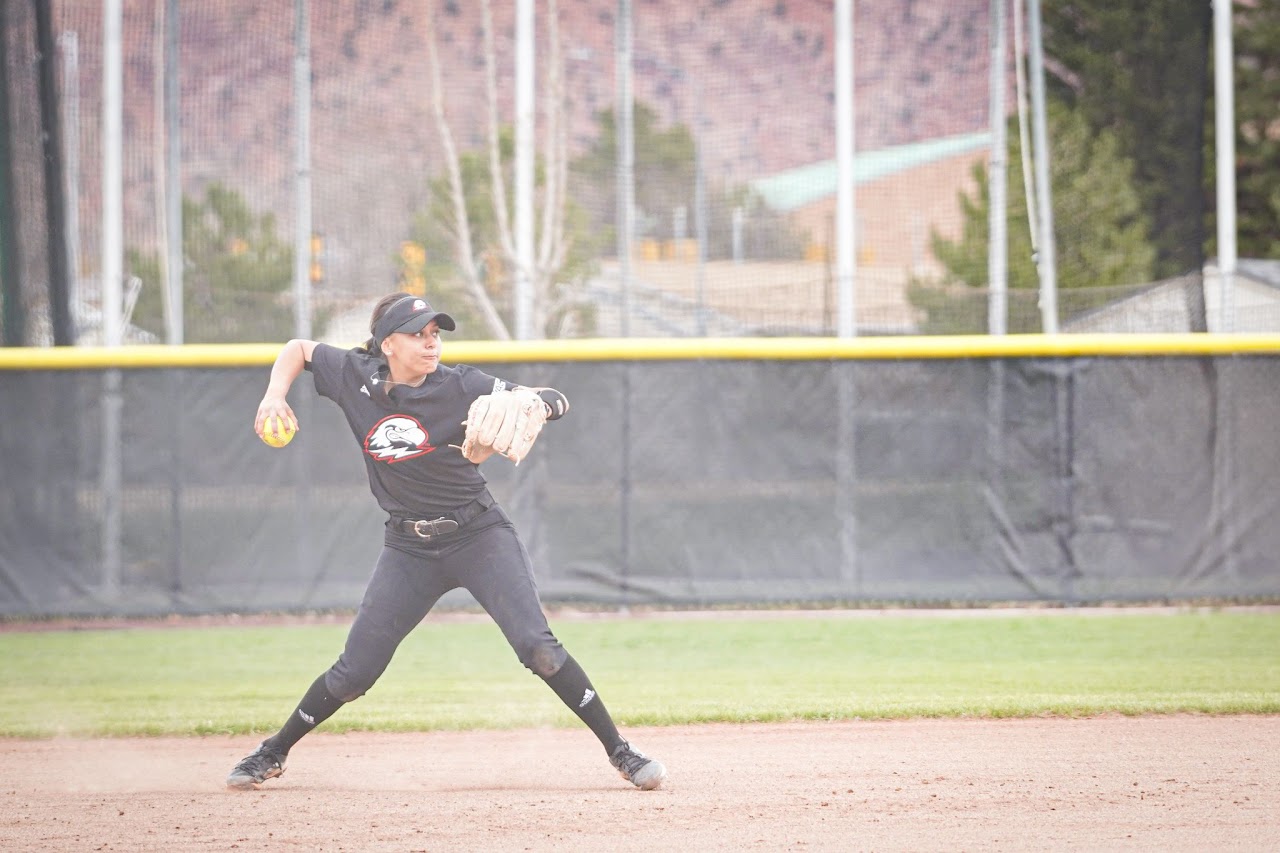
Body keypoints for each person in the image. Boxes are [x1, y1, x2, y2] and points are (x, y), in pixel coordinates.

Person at [226, 292, 666, 791]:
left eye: (436, 333)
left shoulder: (463, 384)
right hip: (408, 548)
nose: (431, 343)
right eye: (419, 334)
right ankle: (272, 752)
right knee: (354, 675)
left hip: (478, 534)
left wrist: (540, 402)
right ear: (387, 343)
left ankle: (622, 752)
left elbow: (549, 399)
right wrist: (273, 395)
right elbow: (298, 349)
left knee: (537, 648)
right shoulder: (354, 374)